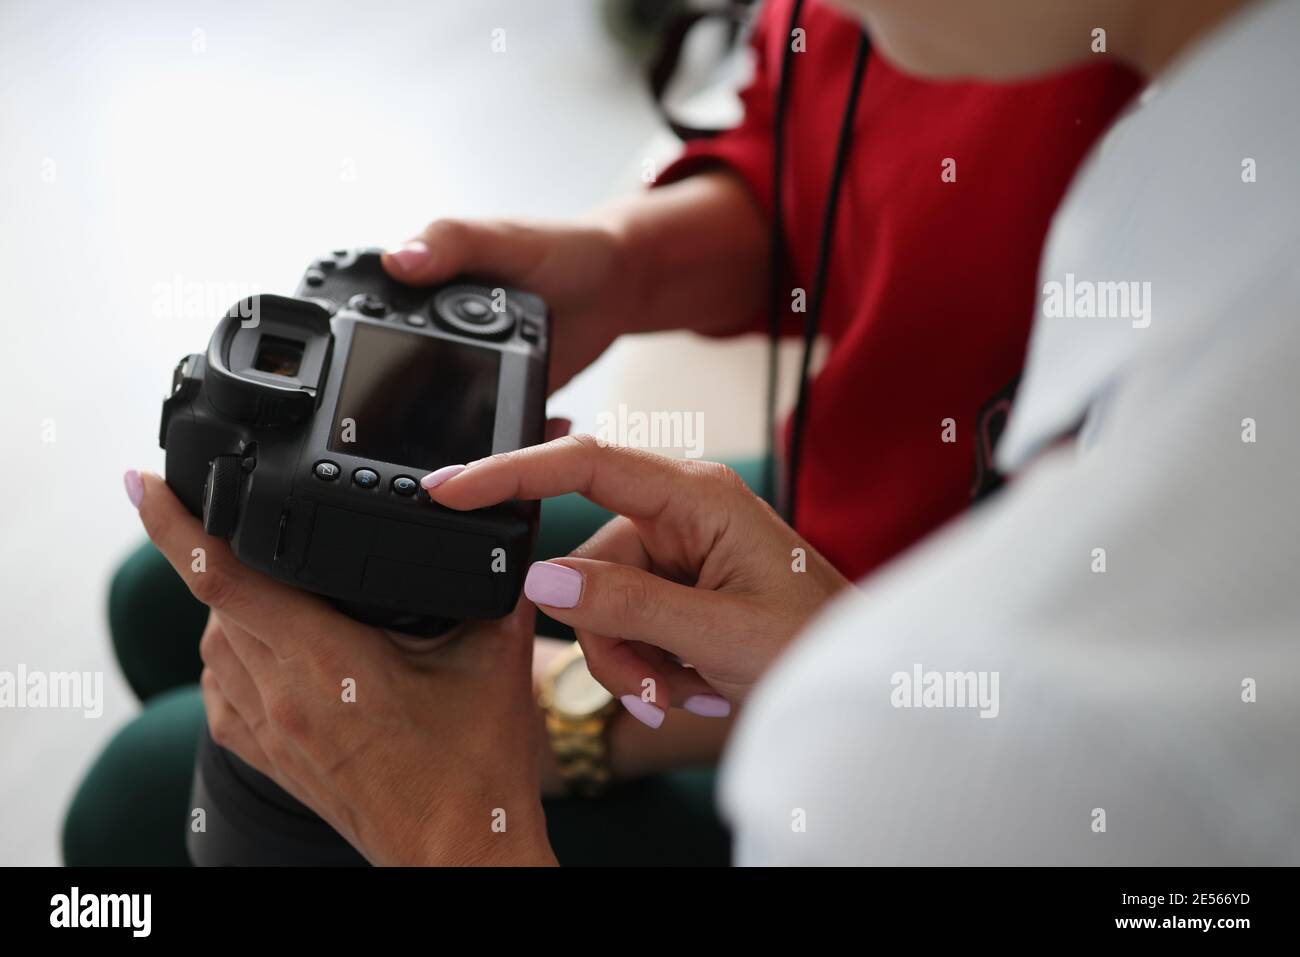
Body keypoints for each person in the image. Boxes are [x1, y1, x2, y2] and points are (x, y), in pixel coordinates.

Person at [65, 0, 1142, 865]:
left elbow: (1080, 775)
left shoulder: (1220, 382)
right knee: (165, 595)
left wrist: (462, 816)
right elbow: (851, 178)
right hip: (862, 537)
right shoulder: (1010, 32)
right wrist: (629, 265)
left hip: (944, 767)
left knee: (145, 802)